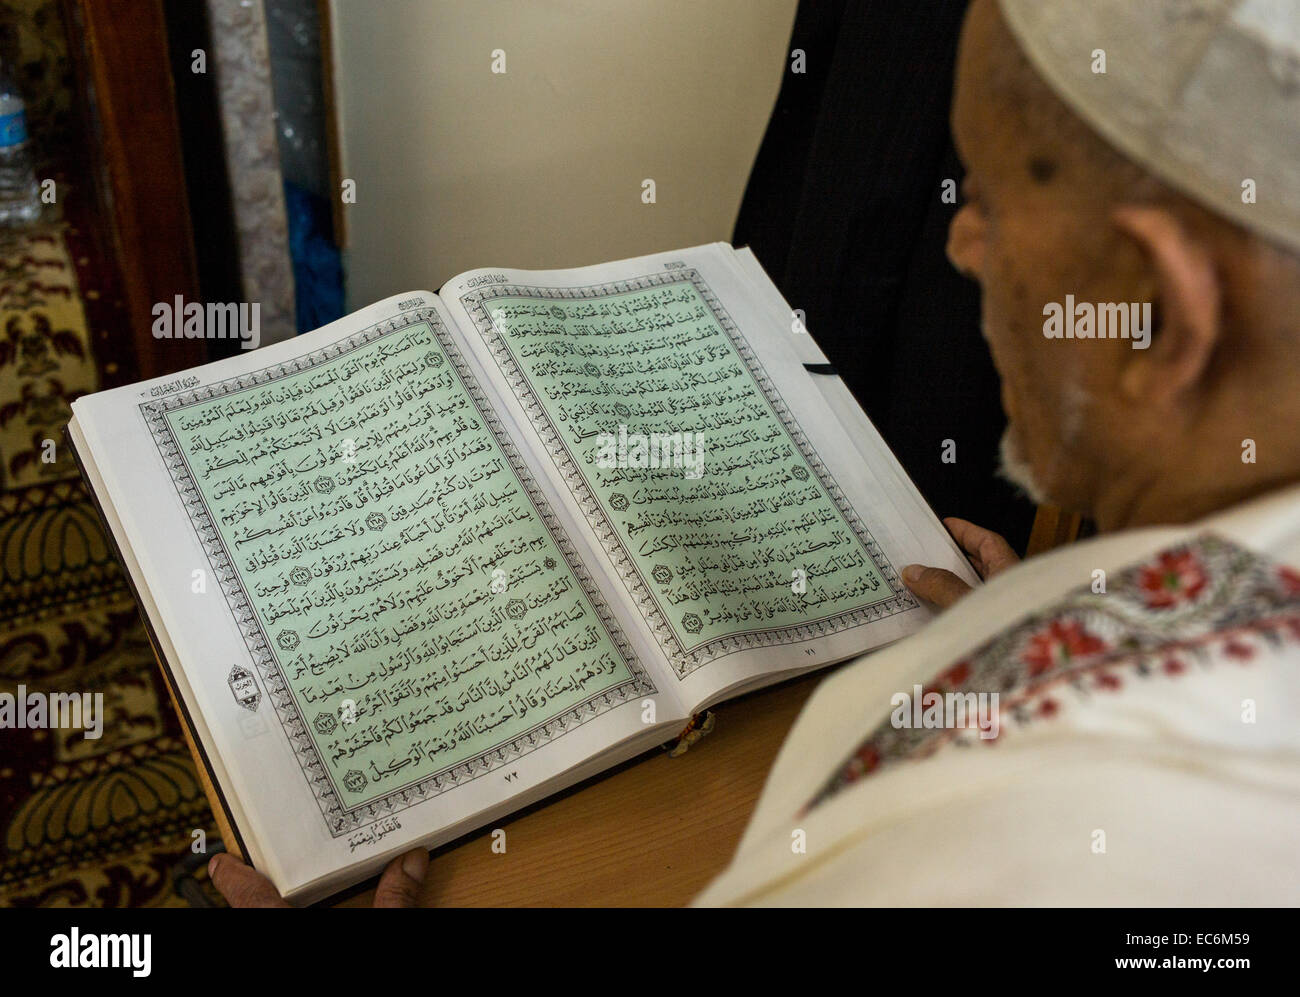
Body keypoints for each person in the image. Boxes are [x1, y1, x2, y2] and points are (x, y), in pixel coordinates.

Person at [211, 0, 1300, 906]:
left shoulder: (999, 841)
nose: (961, 242)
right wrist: (1038, 634)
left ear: (1163, 312)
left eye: (990, 197)